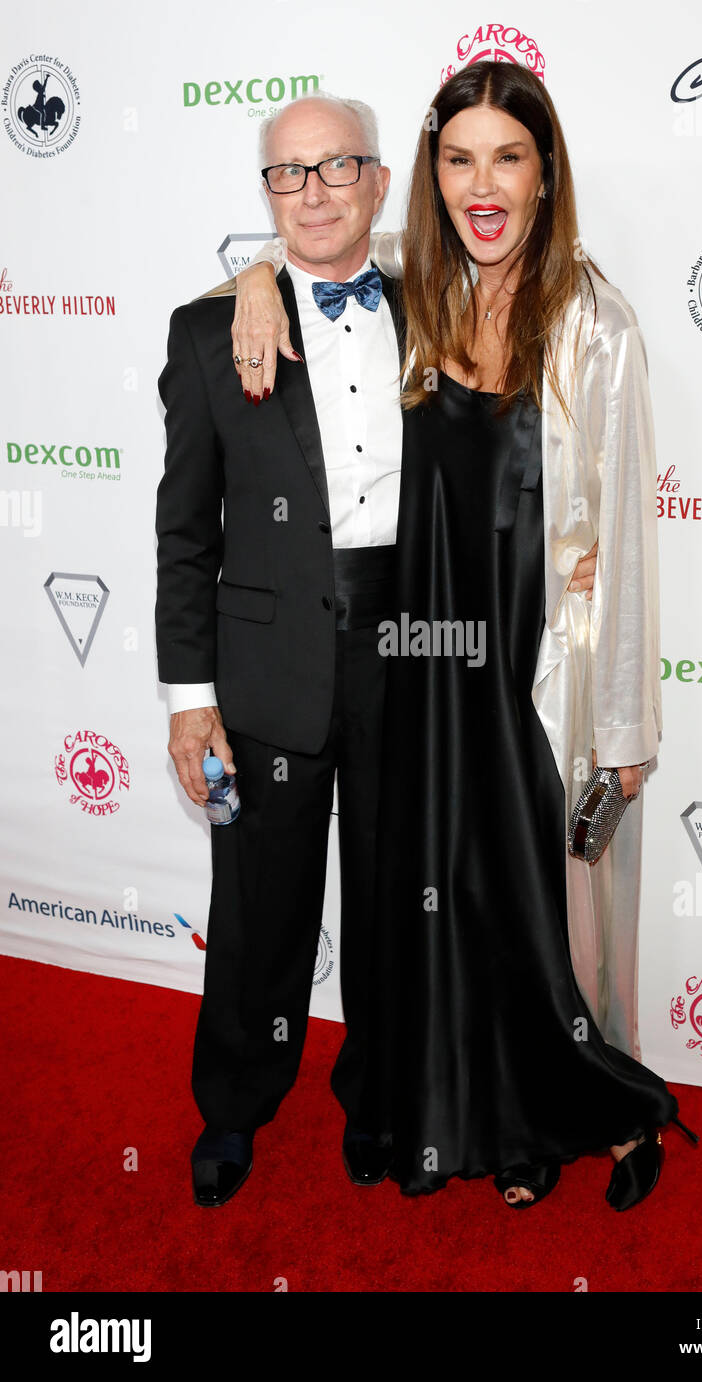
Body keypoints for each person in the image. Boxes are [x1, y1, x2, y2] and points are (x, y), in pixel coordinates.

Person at [228, 63, 696, 1208]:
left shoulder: (598, 324)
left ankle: (581, 1116)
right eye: (459, 159)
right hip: (429, 666)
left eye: (508, 158)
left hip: (536, 673)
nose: (481, 186)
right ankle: (468, 1117)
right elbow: (315, 244)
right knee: (446, 893)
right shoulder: (414, 289)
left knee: (539, 904)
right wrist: (251, 274)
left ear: (546, 176)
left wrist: (627, 721)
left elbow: (625, 540)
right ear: (432, 176)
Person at [155, 87, 602, 1208]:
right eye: (286, 174)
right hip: (269, 661)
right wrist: (187, 696)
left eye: (334, 168)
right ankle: (236, 1106)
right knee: (262, 903)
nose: (311, 193)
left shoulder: (435, 308)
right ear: (267, 193)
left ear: (375, 180)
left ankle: (380, 1103)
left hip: (412, 644)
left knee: (400, 896)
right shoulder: (213, 330)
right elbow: (182, 530)